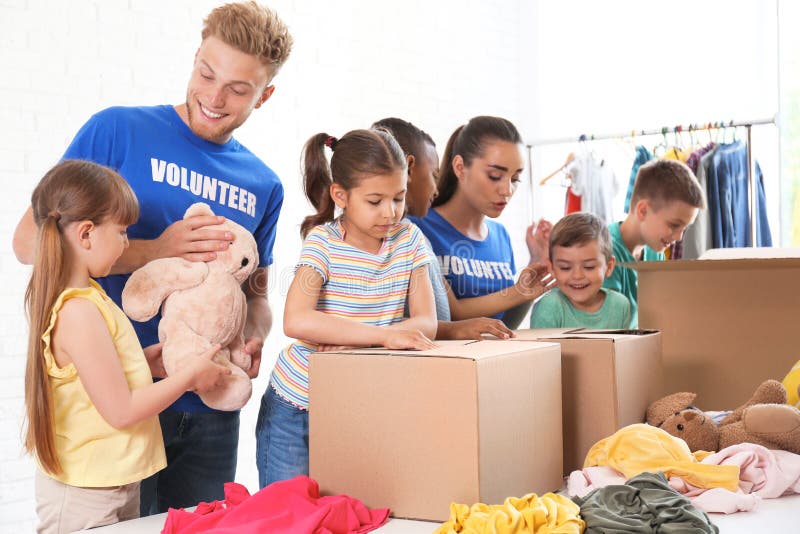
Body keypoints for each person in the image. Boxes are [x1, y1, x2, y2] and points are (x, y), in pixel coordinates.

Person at [12, 1, 292, 515]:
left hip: (209, 406)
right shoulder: (117, 131)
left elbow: (257, 294)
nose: (214, 96)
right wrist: (156, 252)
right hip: (120, 402)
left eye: (238, 89)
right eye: (207, 73)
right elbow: (29, 243)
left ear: (265, 95)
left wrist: (253, 337)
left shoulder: (264, 184)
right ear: (193, 59)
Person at [24, 160, 230, 534]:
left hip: (110, 482)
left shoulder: (93, 296)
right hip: (87, 494)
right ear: (86, 233)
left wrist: (145, 364)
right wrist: (189, 377)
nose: (125, 243)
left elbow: (98, 379)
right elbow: (121, 411)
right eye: (121, 231)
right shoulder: (79, 311)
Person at [256, 128, 438, 488]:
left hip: (358, 402)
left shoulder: (409, 240)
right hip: (297, 404)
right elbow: (296, 320)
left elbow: (426, 322)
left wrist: (356, 342)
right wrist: (383, 337)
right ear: (341, 195)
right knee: (287, 514)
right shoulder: (323, 242)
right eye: (375, 201)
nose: (391, 213)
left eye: (398, 198)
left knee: (347, 515)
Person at [372, 117, 515, 340]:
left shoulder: (413, 237)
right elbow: (371, 318)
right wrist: (455, 329)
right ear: (409, 169)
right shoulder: (392, 236)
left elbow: (434, 318)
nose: (436, 189)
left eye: (516, 178)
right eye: (434, 175)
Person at [408, 115, 553, 329]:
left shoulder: (500, 236)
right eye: (495, 176)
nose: (507, 191)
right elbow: (445, 318)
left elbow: (504, 326)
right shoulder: (419, 228)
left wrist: (536, 263)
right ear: (459, 167)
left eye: (515, 179)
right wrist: (516, 292)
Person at [603, 158, 705, 326]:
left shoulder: (654, 251)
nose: (679, 237)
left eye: (684, 229)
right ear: (643, 211)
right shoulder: (604, 253)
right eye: (674, 225)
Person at [529, 212, 631, 329]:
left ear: (609, 267)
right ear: (552, 268)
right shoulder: (549, 307)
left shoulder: (620, 306)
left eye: (589, 267)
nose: (577, 276)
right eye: (565, 268)